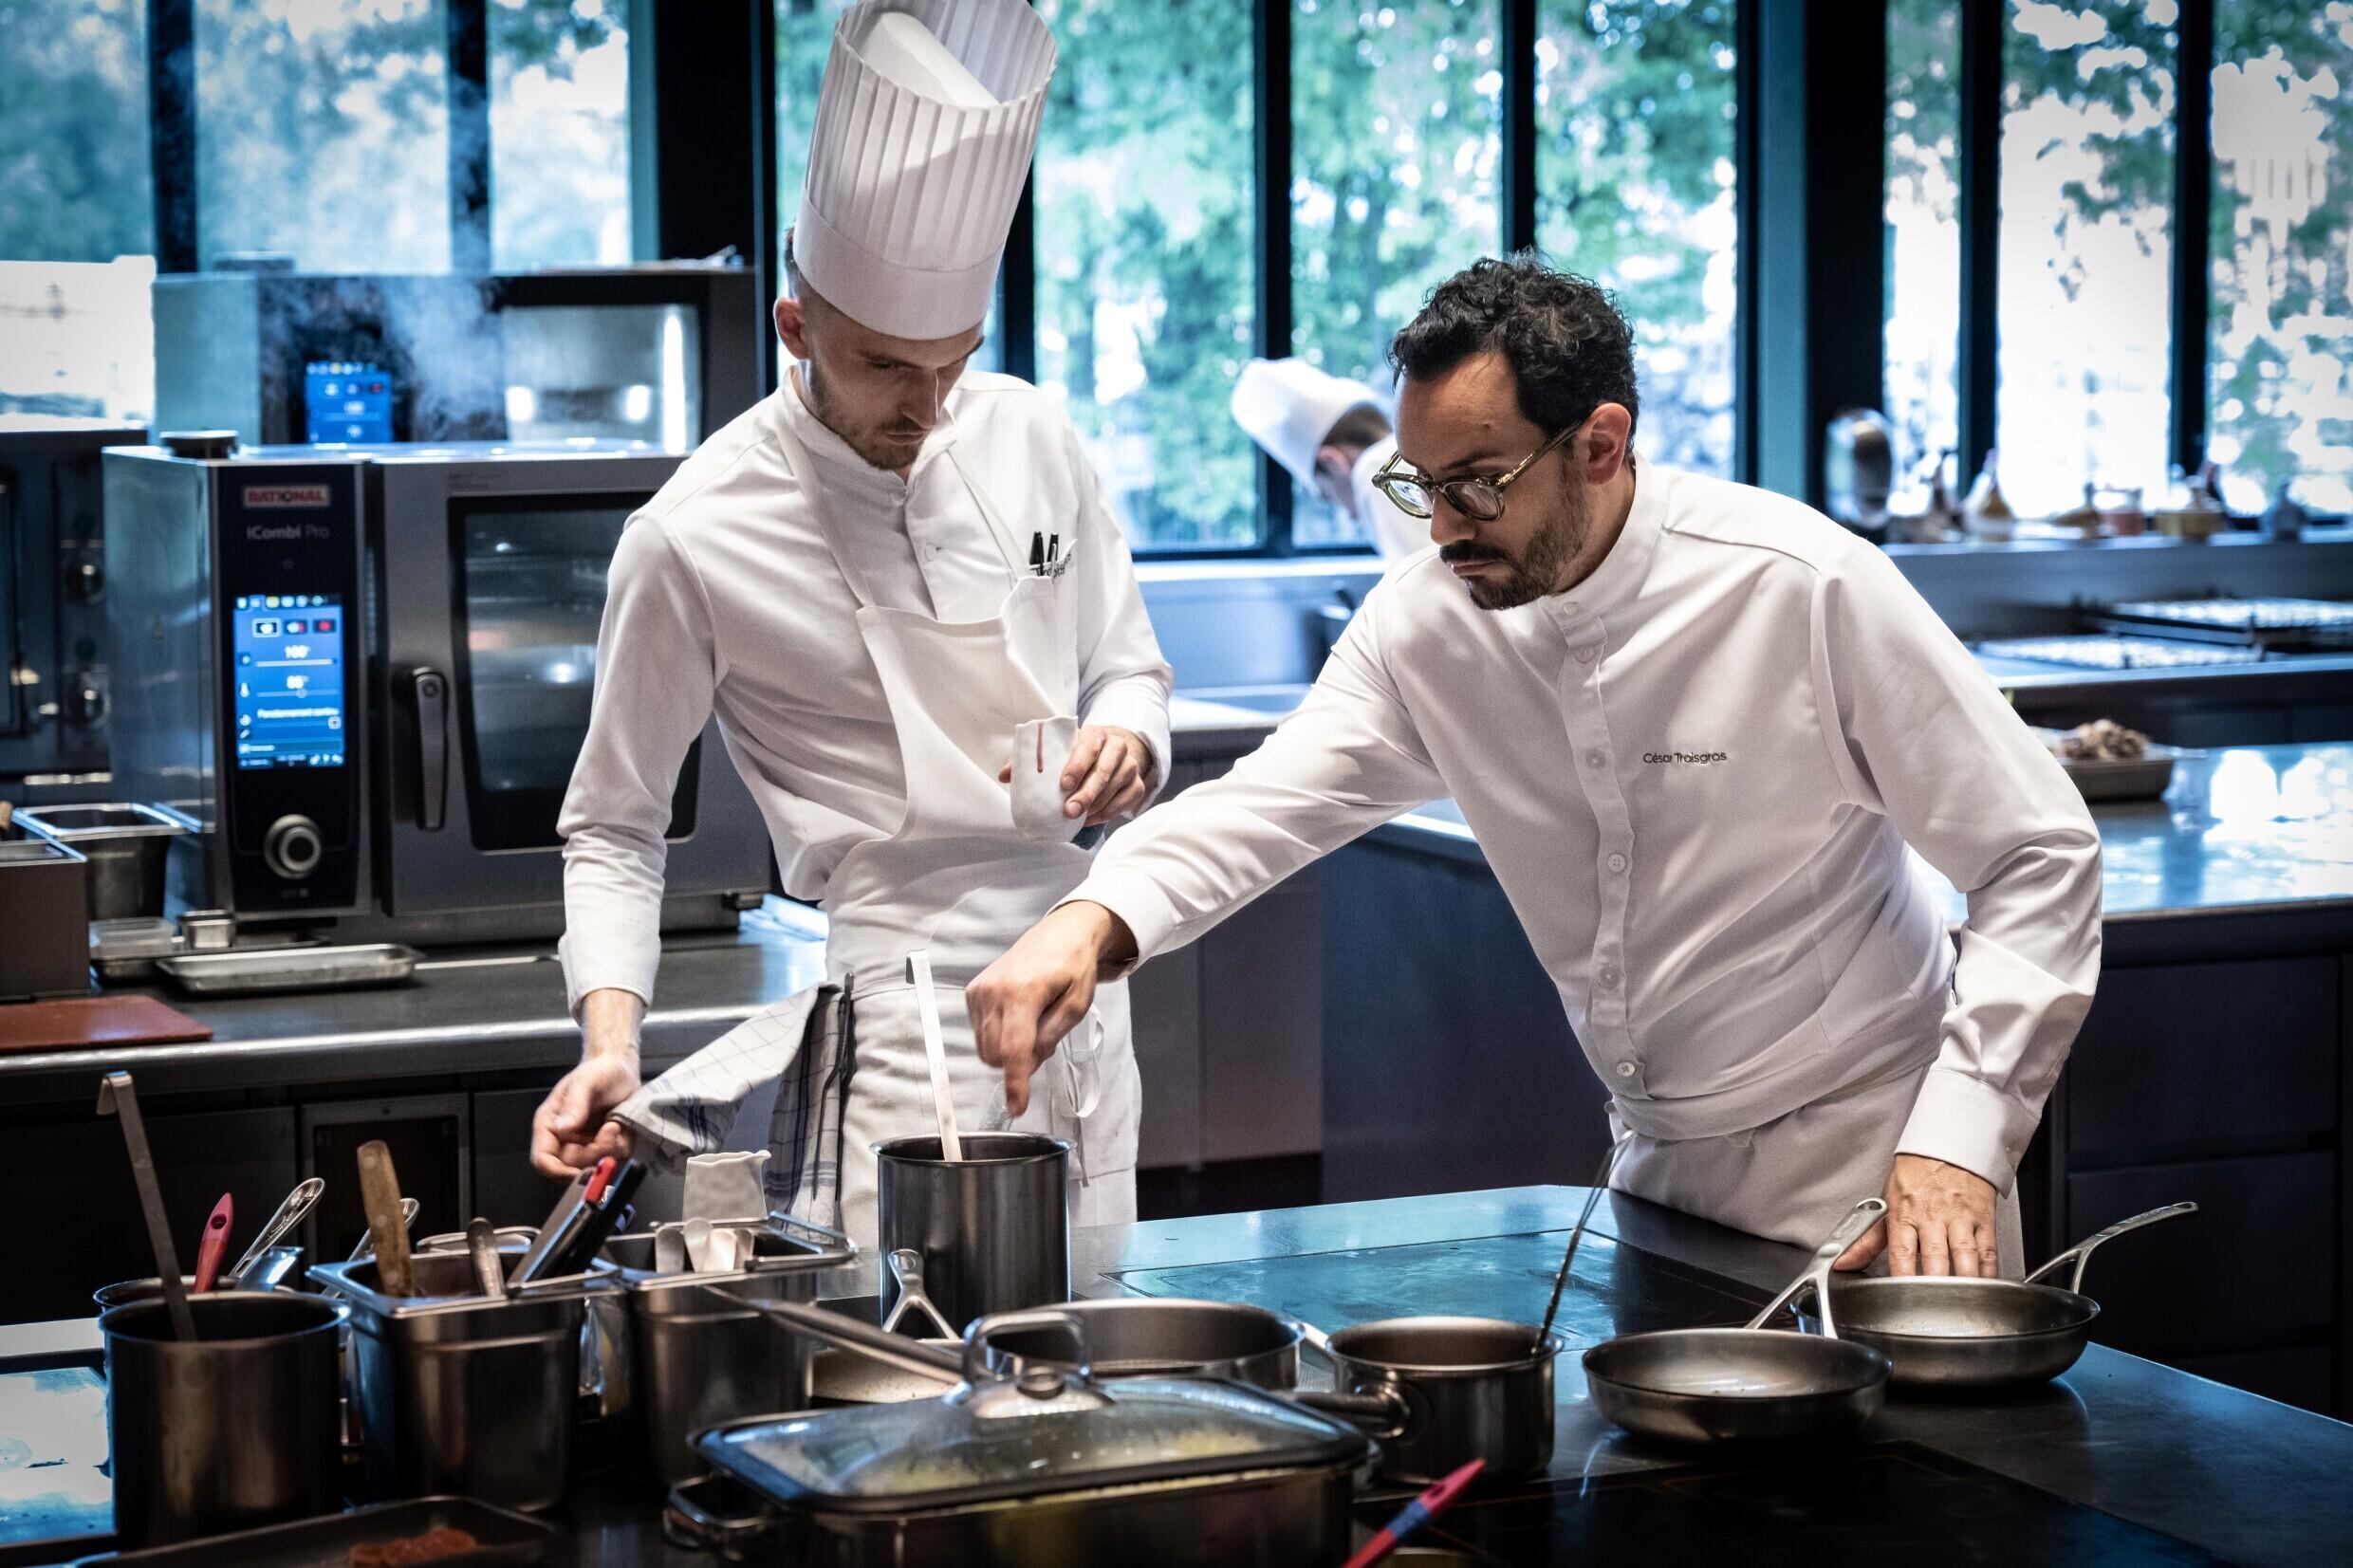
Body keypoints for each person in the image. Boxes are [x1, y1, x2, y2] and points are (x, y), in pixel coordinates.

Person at [969, 256, 2103, 1277]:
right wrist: (1092, 917)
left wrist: (1959, 1137)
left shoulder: (1798, 585)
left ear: (1598, 445)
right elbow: (1269, 802)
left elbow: (2037, 853)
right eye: (1417, 484)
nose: (1437, 528)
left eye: (1475, 483)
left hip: (1881, 1171)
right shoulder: (1423, 626)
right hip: (1658, 1173)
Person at [528, 0, 1172, 1245]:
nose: (929, 406)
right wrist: (612, 1040)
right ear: (797, 328)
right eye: (886, 367)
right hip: (895, 1026)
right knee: (905, 1339)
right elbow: (614, 824)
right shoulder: (693, 534)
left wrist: (1130, 740)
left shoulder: (1033, 433)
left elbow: (1129, 669)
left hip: (1082, 989)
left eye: (953, 362)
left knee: (1091, 1327)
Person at [1232, 358, 1426, 558]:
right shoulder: (1411, 451)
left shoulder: (1377, 472)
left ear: (1332, 461)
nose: (1351, 516)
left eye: (1328, 495)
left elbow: (1423, 577)